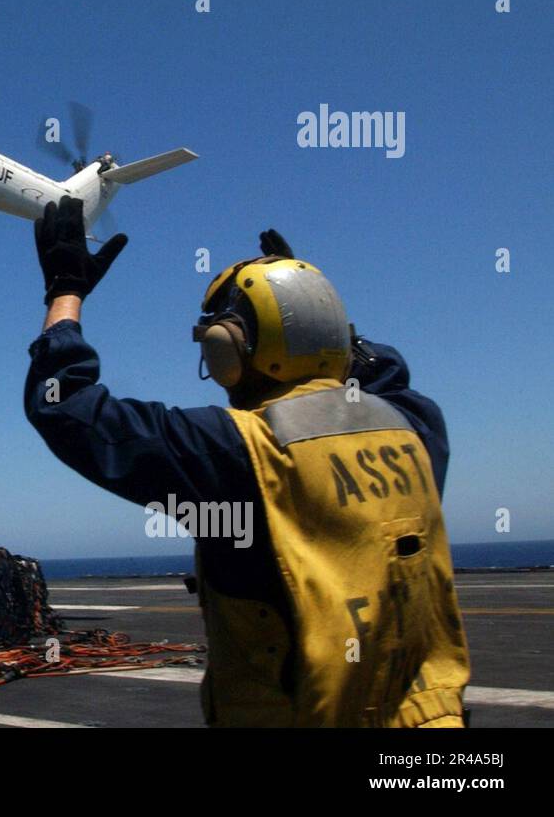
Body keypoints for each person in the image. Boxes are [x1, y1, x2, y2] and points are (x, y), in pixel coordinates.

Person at [24, 196, 470, 727]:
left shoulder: (238, 453)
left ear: (227, 349)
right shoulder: (418, 427)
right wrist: (310, 304)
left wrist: (65, 294)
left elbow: (65, 407)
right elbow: (383, 373)